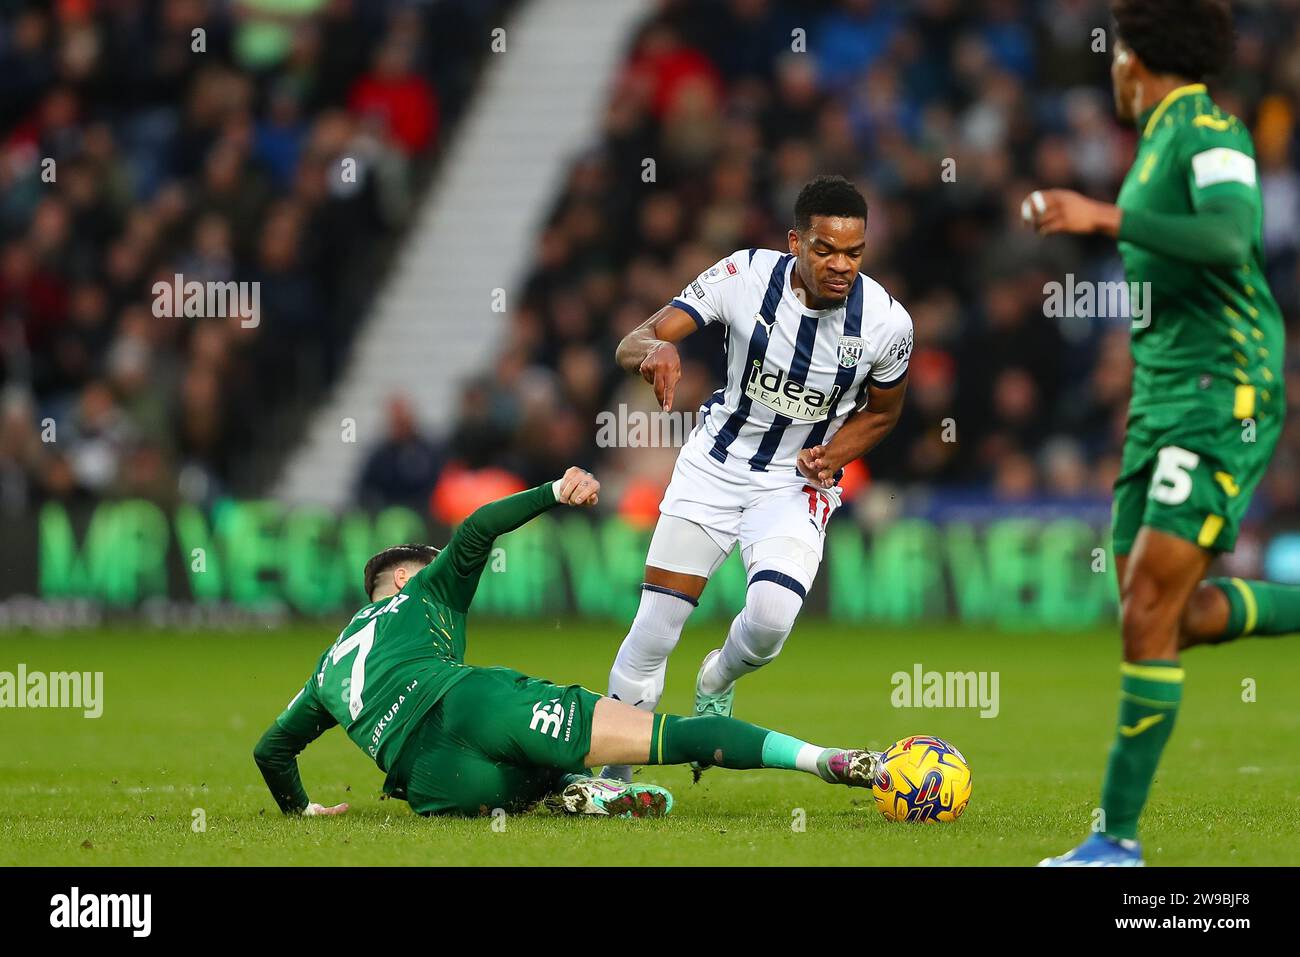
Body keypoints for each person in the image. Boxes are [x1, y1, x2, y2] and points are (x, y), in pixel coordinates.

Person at [1026, 0, 1298, 866]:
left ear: (1134, 56)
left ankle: (1115, 840)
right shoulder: (1157, 144)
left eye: (1117, 52)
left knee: (1147, 606)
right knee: (1164, 621)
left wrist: (1102, 216)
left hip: (1225, 393)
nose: (1110, 67)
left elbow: (1230, 236)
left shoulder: (1209, 127)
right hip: (1164, 401)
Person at [253, 468, 880, 819]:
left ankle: (573, 793)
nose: (442, 568)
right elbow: (473, 531)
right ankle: (831, 761)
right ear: (398, 578)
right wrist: (555, 492)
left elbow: (271, 751)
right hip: (469, 702)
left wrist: (301, 812)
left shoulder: (326, 671)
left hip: (435, 784)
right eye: (430, 562)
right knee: (665, 736)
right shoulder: (422, 593)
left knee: (537, 789)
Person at [602, 174, 912, 781]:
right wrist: (653, 350)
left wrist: (835, 453)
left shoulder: (886, 323)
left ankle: (718, 675)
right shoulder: (743, 276)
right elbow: (632, 340)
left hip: (795, 484)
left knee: (770, 621)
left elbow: (884, 413)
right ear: (795, 242)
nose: (840, 264)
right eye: (825, 250)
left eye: (853, 252)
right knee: (655, 630)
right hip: (713, 467)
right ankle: (612, 777)